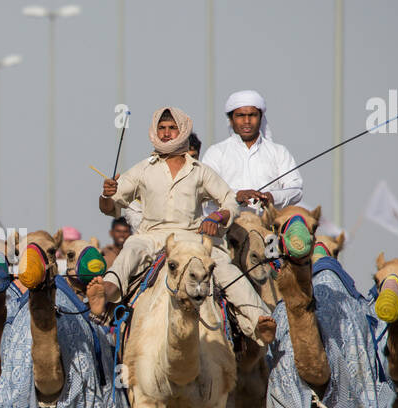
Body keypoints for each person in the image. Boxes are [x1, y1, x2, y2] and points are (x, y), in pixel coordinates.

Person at [96, 106, 275, 345]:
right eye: (162, 128)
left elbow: (229, 200)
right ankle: (104, 293)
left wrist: (217, 218)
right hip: (151, 236)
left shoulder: (199, 171)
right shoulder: (142, 169)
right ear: (155, 131)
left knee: (224, 268)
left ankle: (259, 320)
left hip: (192, 238)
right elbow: (110, 207)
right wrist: (106, 195)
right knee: (130, 251)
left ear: (182, 131)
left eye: (172, 128)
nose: (167, 133)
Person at [200, 90, 303, 216]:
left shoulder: (279, 152)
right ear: (231, 120)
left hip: (267, 229)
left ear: (261, 118)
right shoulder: (216, 152)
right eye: (240, 116)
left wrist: (272, 197)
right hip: (225, 229)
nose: (247, 121)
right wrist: (237, 195)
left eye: (252, 115)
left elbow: (296, 189)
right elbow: (205, 189)